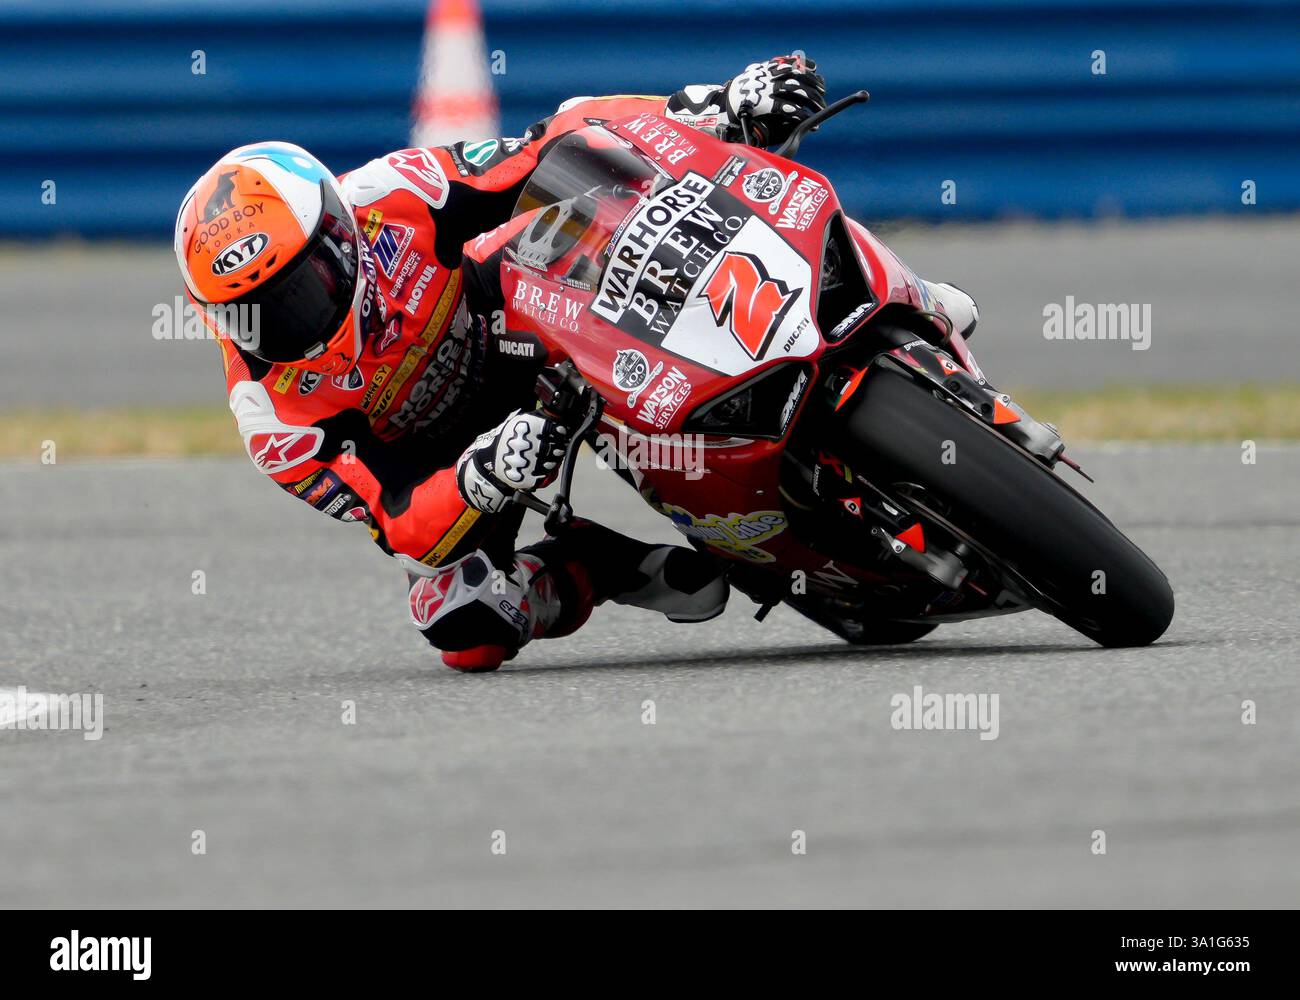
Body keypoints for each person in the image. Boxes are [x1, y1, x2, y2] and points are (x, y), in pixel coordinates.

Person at [174, 56, 828, 671]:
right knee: (463, 625)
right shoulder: (273, 420)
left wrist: (706, 111)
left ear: (342, 235)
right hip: (455, 457)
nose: (290, 324)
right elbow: (400, 521)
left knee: (582, 179)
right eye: (254, 314)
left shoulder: (395, 195)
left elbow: (550, 144)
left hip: (524, 331)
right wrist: (482, 474)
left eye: (300, 289)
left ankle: (828, 291)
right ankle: (603, 568)